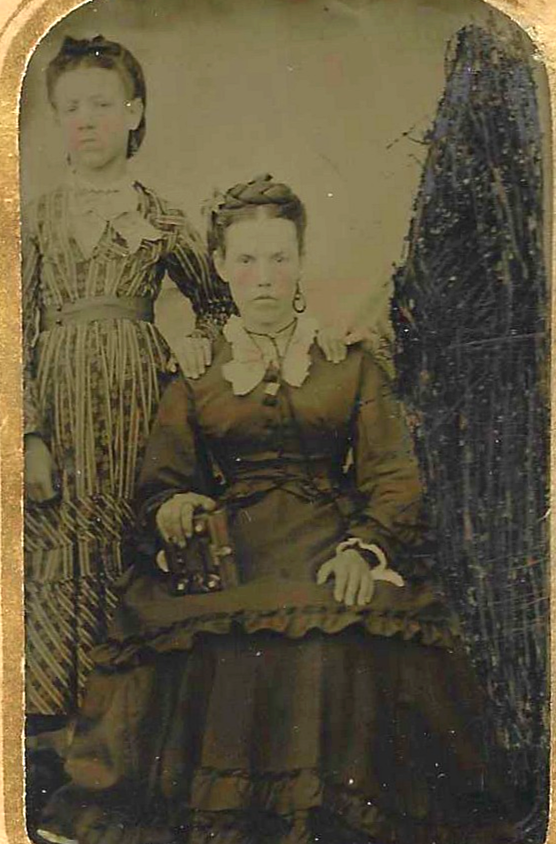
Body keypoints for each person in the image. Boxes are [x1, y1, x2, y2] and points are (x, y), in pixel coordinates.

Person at [38, 175, 516, 844]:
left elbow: (393, 473)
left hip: (330, 537)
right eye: (246, 259)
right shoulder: (198, 370)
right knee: (212, 633)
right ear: (220, 265)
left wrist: (365, 549)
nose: (263, 277)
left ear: (299, 260)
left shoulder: (346, 359)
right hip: (233, 545)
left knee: (341, 624)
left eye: (279, 257)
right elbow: (162, 479)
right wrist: (175, 505)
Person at [22, 33, 237, 815]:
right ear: (57, 119)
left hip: (140, 409)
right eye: (71, 107)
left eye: (102, 105)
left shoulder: (161, 215)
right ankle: (56, 762)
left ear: (134, 112)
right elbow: (12, 324)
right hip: (59, 415)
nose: (86, 120)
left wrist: (197, 364)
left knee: (132, 556)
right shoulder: (36, 218)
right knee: (56, 563)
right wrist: (27, 433)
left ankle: (133, 754)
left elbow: (218, 304)